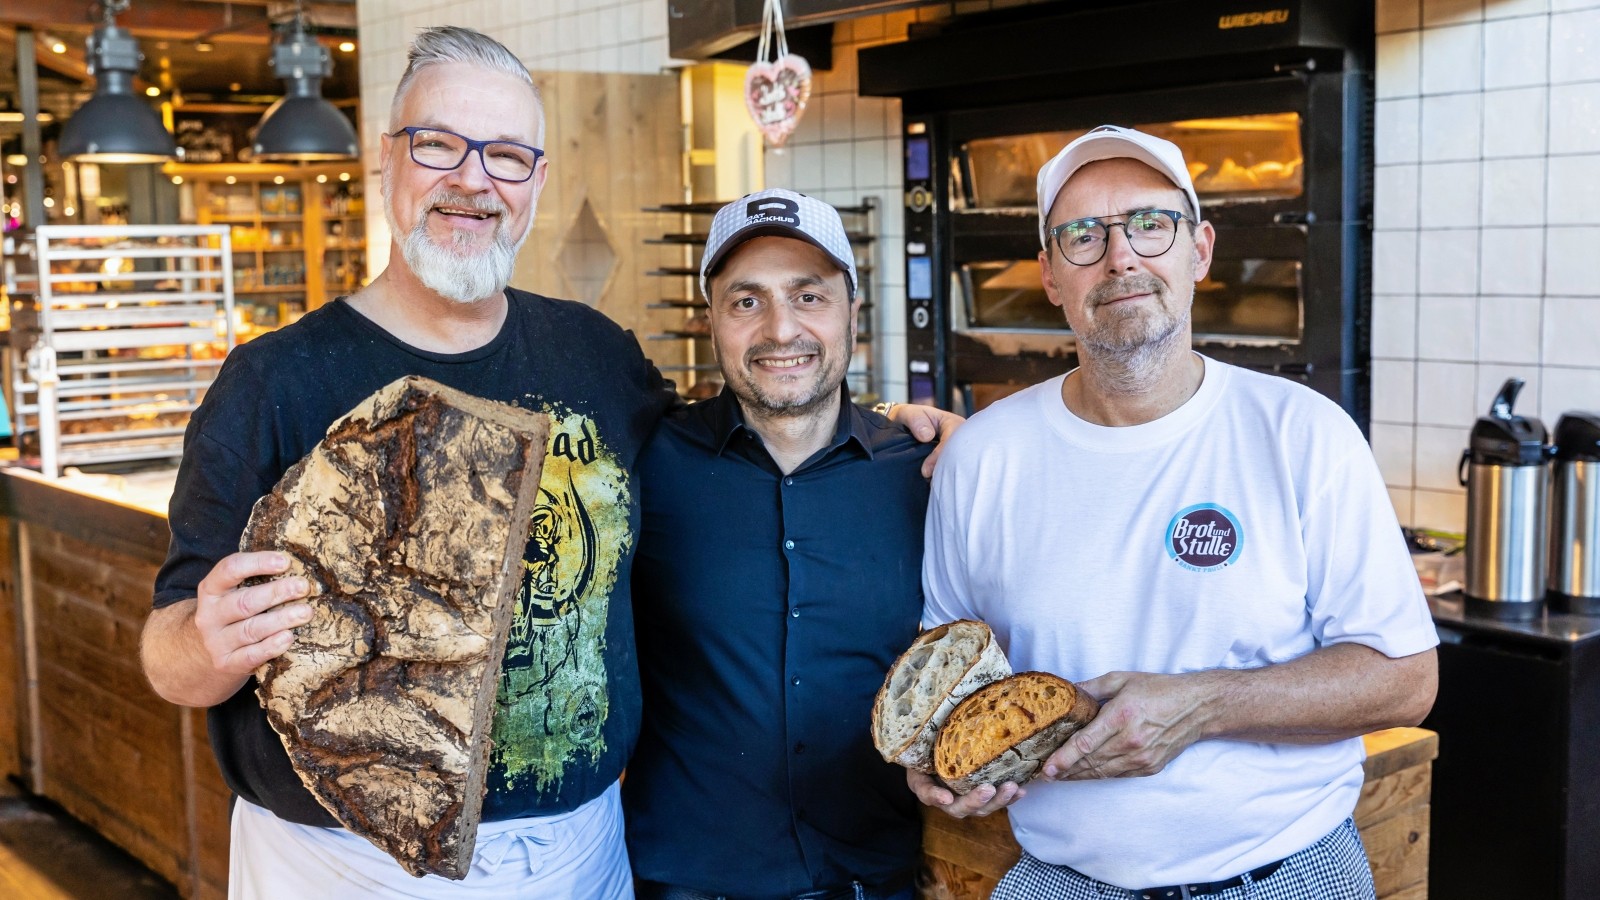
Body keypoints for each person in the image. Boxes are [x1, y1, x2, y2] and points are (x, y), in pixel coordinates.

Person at [139, 28, 957, 898]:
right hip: (348, 867)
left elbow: (749, 441)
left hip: (579, 853)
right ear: (388, 157)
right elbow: (168, 655)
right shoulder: (273, 379)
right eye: (439, 144)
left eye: (506, 155)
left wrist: (911, 427)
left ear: (534, 180)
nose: (472, 179)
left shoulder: (593, 356)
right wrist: (206, 640)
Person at [910, 125, 1440, 900]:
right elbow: (948, 675)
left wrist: (1200, 707)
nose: (1120, 256)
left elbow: (1406, 680)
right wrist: (939, 760)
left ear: (1200, 251)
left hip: (1287, 877)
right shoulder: (981, 457)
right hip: (1060, 882)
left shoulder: (1302, 433)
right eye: (1082, 236)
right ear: (1050, 276)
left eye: (1149, 225)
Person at [624, 190, 929, 900]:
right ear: (711, 322)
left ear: (855, 311)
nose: (781, 328)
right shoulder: (643, 461)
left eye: (809, 296)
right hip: (686, 879)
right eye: (746, 301)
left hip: (876, 877)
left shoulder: (926, 470)